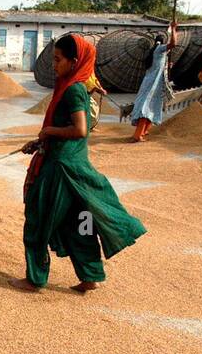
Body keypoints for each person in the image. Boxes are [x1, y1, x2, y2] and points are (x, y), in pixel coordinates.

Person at [14, 33, 145, 294]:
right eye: (54, 59)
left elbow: (79, 129)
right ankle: (90, 275)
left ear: (75, 61)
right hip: (71, 162)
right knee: (78, 223)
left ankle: (35, 279)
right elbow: (67, 129)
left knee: (38, 220)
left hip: (61, 169)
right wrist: (40, 142)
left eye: (59, 60)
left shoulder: (73, 90)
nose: (54, 65)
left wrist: (49, 132)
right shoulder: (72, 85)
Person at [130, 24, 178, 142]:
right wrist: (174, 29)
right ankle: (137, 135)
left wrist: (167, 65)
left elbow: (159, 64)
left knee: (152, 105)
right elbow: (173, 44)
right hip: (152, 85)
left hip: (150, 83)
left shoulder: (153, 52)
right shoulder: (160, 49)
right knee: (146, 107)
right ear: (161, 43)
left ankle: (144, 131)